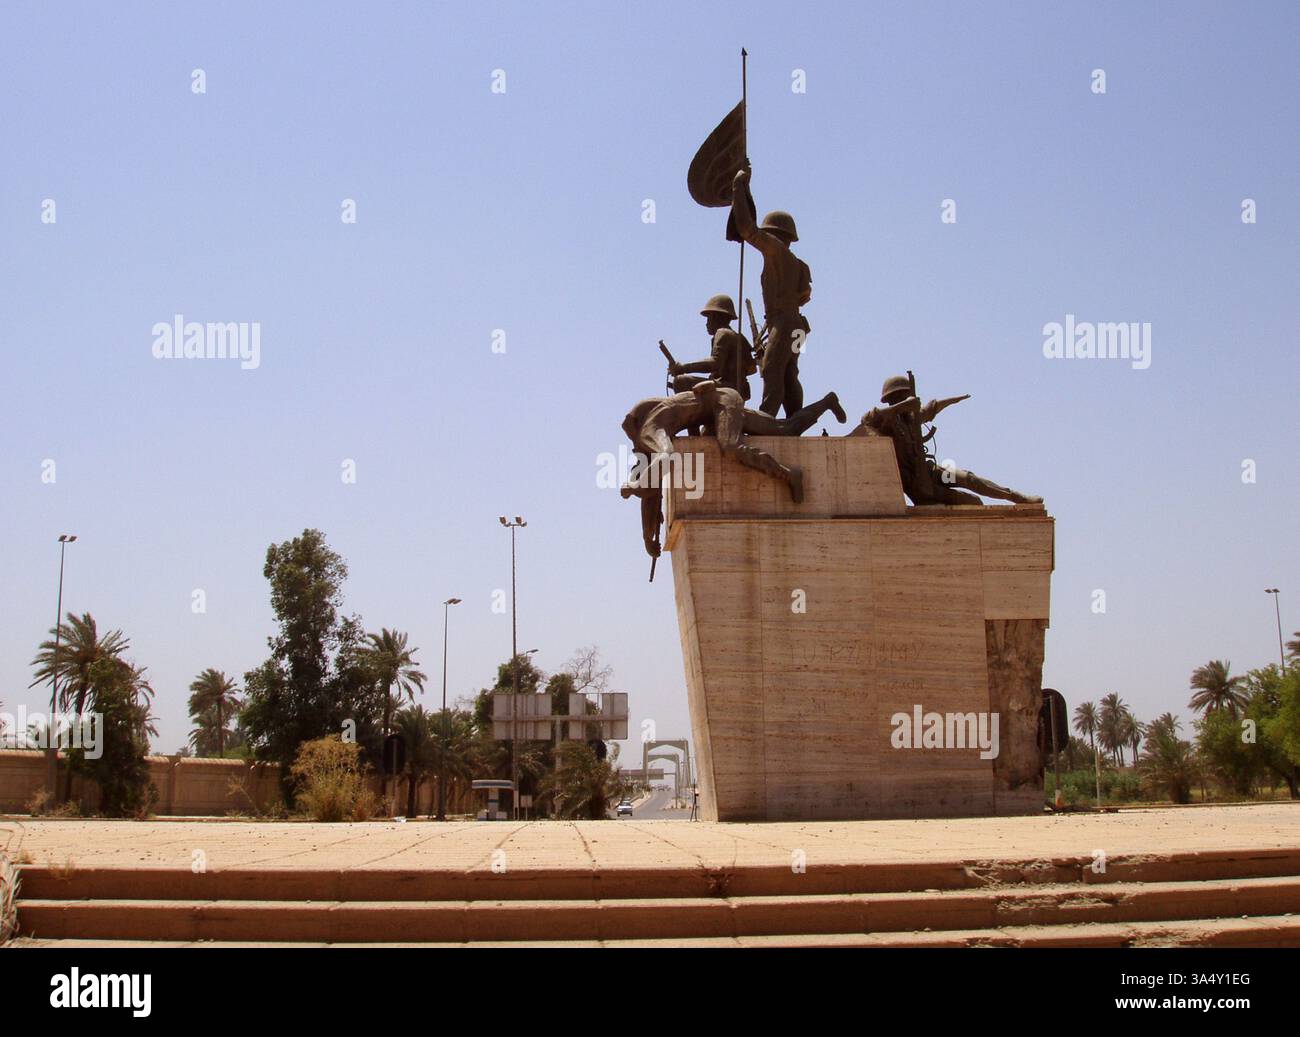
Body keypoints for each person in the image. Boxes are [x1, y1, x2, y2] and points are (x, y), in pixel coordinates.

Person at [621, 381, 847, 557]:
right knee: (784, 429)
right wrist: (648, 536)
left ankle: (788, 475)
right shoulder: (652, 413)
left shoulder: (648, 430)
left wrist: (635, 486)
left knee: (730, 446)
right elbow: (652, 491)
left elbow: (666, 457)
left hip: (722, 403)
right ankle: (827, 402)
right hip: (722, 402)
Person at [854, 374, 1042, 505]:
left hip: (930, 471)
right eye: (904, 395)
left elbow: (930, 409)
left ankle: (1016, 497)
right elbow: (868, 419)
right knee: (972, 502)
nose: (908, 398)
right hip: (917, 483)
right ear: (894, 398)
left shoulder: (911, 419)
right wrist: (904, 405)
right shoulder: (886, 422)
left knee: (969, 478)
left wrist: (953, 400)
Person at [730, 167, 812, 417]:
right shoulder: (798, 264)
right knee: (789, 374)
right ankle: (795, 420)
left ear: (774, 234)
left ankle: (766, 420)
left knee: (771, 370)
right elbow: (804, 296)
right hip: (798, 326)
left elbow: (748, 230)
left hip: (784, 323)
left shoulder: (775, 250)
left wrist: (737, 187)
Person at [667, 294, 755, 401]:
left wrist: (683, 368)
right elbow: (752, 368)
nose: (706, 323)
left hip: (728, 388)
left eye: (708, 318)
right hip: (738, 388)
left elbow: (714, 363)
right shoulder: (739, 337)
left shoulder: (722, 332)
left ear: (715, 317)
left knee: (680, 381)